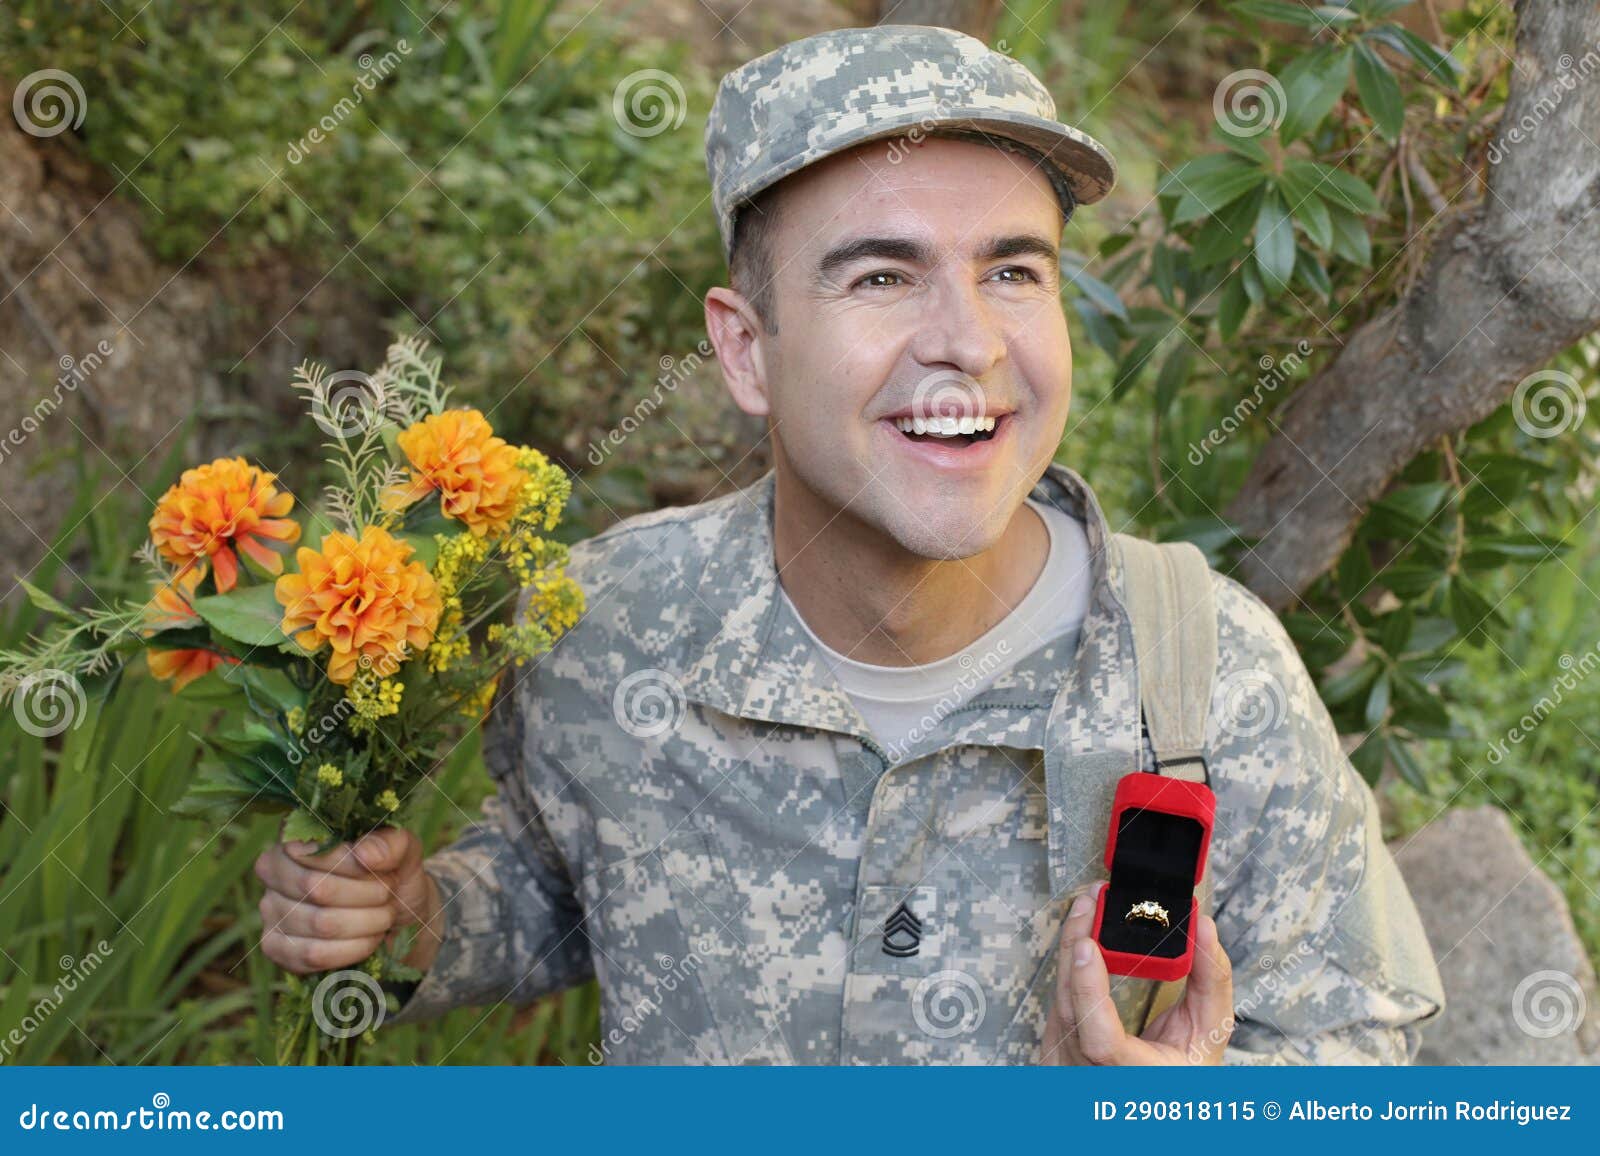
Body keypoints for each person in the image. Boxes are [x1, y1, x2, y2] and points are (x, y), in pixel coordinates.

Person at [253, 24, 1445, 1064]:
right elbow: (561, 878)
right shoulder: (605, 626)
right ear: (745, 349)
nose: (967, 342)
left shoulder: (1205, 680)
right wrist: (416, 919)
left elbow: (1356, 1048)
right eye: (882, 274)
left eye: (1012, 271)